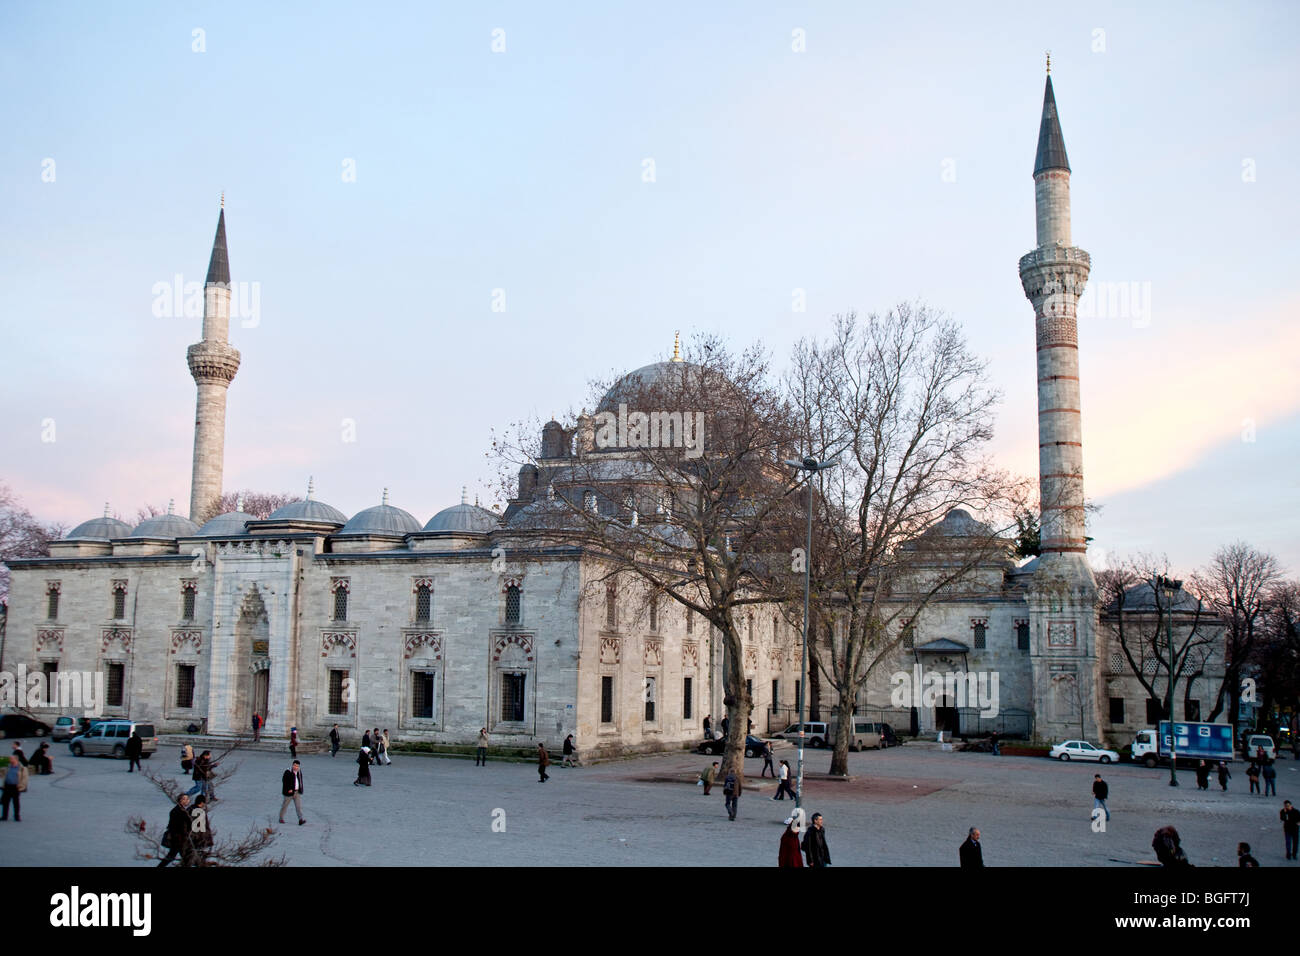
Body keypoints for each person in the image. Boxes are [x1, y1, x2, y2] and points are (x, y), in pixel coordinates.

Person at [157, 794, 193, 867]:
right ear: (180, 800)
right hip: (178, 839)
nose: (187, 801)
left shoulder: (181, 810)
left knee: (174, 856)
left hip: (180, 839)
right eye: (184, 799)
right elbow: (175, 826)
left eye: (187, 799)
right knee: (185, 857)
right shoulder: (177, 811)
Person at [280, 759, 306, 825]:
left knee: (298, 807)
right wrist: (289, 789)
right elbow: (284, 781)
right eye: (294, 765)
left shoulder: (299, 772)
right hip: (289, 792)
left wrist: (301, 789)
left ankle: (300, 820)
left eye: (297, 766)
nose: (296, 767)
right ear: (292, 765)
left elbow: (300, 781)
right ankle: (281, 818)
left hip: (297, 792)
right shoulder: (288, 771)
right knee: (285, 806)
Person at [188, 795, 211, 866]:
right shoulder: (199, 811)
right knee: (199, 856)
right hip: (197, 838)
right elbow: (201, 827)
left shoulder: (190, 809)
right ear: (201, 802)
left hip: (189, 837)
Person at [0, 756, 26, 821]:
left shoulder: (22, 768)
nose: (10, 760)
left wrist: (21, 786)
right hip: (7, 786)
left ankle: (17, 816)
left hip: (15, 787)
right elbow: (5, 776)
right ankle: (4, 816)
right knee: (5, 802)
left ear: (16, 759)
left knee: (16, 802)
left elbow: (25, 778)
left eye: (11, 759)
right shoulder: (9, 767)